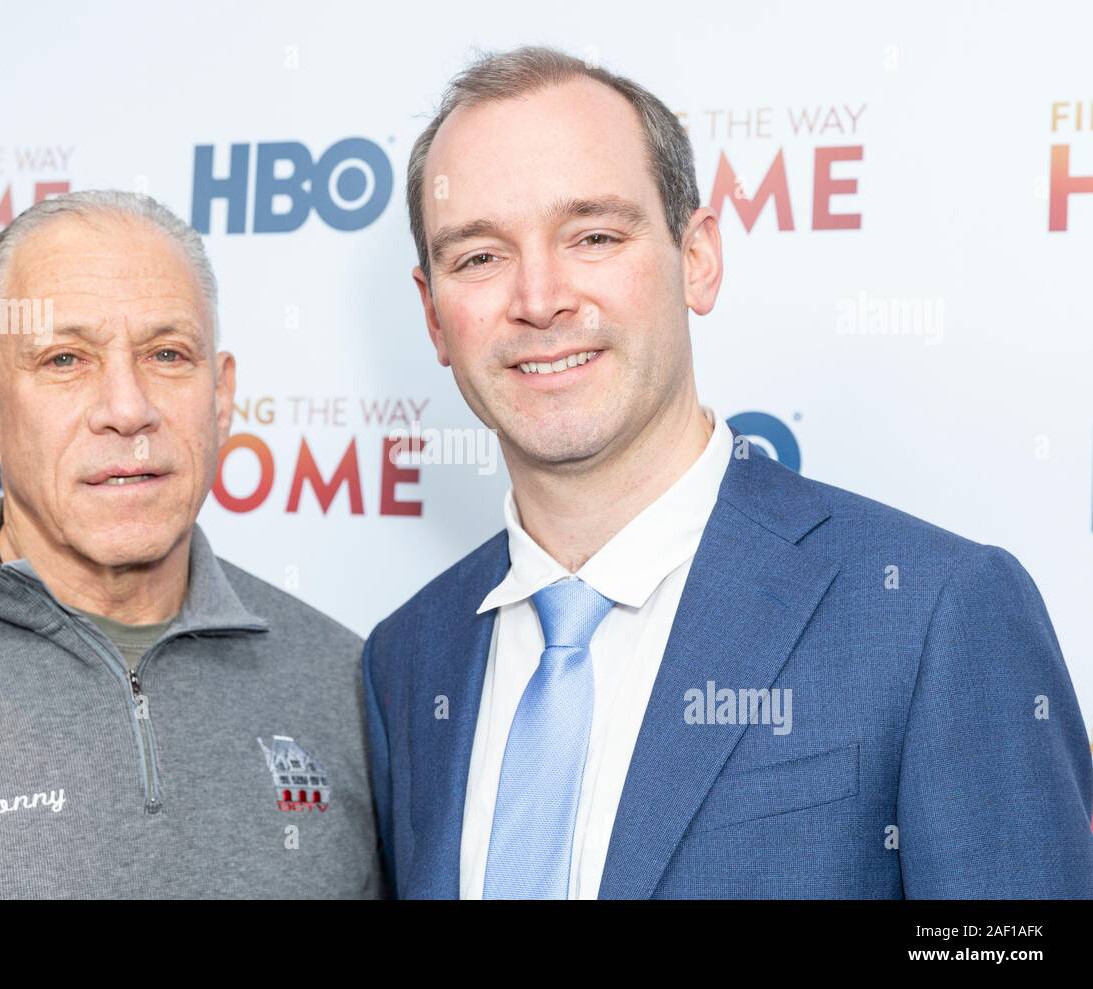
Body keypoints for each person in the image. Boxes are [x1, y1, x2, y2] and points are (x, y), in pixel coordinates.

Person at [362, 45, 1093, 898]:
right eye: (479, 257)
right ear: (435, 316)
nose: (540, 297)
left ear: (698, 258)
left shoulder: (934, 611)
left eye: (594, 235)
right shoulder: (407, 661)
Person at [0, 190, 382, 899]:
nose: (127, 409)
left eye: (167, 353)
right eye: (65, 359)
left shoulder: (353, 686)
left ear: (221, 398)